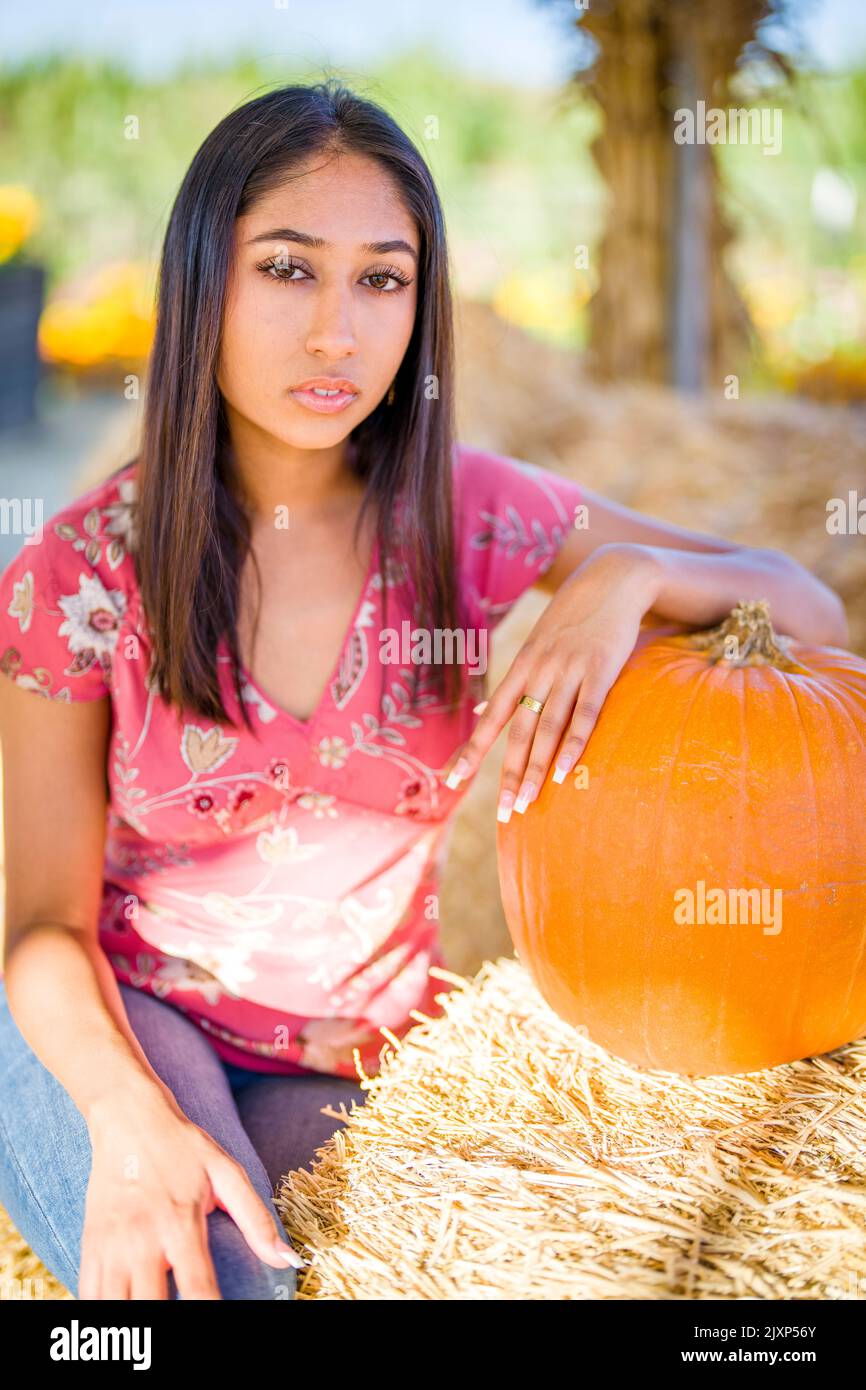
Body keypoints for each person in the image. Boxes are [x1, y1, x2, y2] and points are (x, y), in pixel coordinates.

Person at [0, 80, 848, 1303]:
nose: (337, 331)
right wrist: (128, 1122)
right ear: (200, 283)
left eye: (381, 279)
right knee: (207, 1286)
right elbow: (41, 928)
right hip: (128, 1017)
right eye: (287, 270)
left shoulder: (465, 514)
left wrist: (628, 573)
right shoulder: (76, 569)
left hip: (345, 1062)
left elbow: (805, 610)